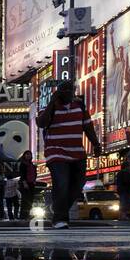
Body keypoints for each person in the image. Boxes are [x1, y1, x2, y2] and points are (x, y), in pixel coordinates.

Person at [38, 80, 101, 228]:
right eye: (65, 90)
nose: (68, 93)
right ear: (59, 92)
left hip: (77, 153)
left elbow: (88, 127)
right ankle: (60, 219)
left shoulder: (79, 106)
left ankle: (59, 209)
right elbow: (41, 123)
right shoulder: (50, 107)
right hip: (56, 153)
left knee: (79, 184)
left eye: (71, 90)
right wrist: (52, 102)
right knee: (62, 182)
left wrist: (96, 144)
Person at [115, 152, 130, 221]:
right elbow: (127, 181)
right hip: (125, 191)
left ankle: (123, 215)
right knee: (125, 203)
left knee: (126, 203)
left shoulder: (121, 173)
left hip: (125, 191)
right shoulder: (125, 173)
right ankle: (123, 216)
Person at [17, 150, 38, 220]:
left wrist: (34, 180)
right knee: (25, 200)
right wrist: (24, 183)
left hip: (31, 183)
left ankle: (28, 214)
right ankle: (23, 216)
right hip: (25, 184)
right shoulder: (23, 164)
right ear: (24, 156)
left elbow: (35, 173)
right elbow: (22, 174)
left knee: (30, 200)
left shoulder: (31, 164)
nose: (28, 156)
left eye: (29, 154)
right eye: (27, 154)